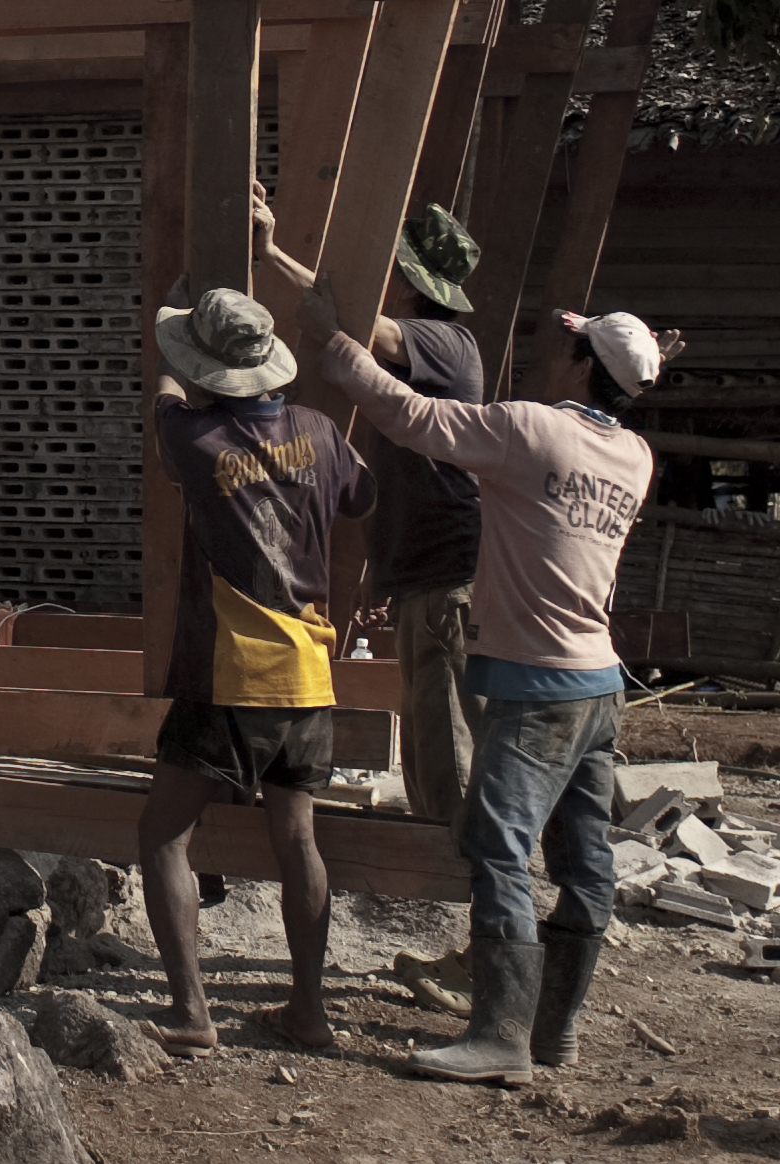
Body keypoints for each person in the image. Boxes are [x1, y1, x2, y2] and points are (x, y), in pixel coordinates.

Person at [302, 280, 680, 1085]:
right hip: (599, 683)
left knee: (497, 843)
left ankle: (501, 1036)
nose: (554, 354)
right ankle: (556, 1032)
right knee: (583, 860)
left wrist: (336, 345)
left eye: (568, 345)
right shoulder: (635, 458)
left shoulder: (531, 432)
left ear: (582, 365)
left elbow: (413, 418)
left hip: (536, 684)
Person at [252, 187, 488, 1016]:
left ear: (410, 277)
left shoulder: (440, 342)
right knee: (433, 763)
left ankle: (484, 957)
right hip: (428, 580)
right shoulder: (436, 343)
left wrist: (274, 249)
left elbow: (337, 325)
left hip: (445, 582)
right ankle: (479, 946)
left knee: (452, 764)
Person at [138, 283, 377, 1057]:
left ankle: (190, 1013)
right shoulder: (319, 430)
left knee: (163, 836)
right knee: (297, 842)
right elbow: (362, 495)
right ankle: (309, 1012)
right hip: (311, 677)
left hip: (233, 674)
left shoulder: (196, 441)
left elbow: (166, 394)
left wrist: (175, 348)